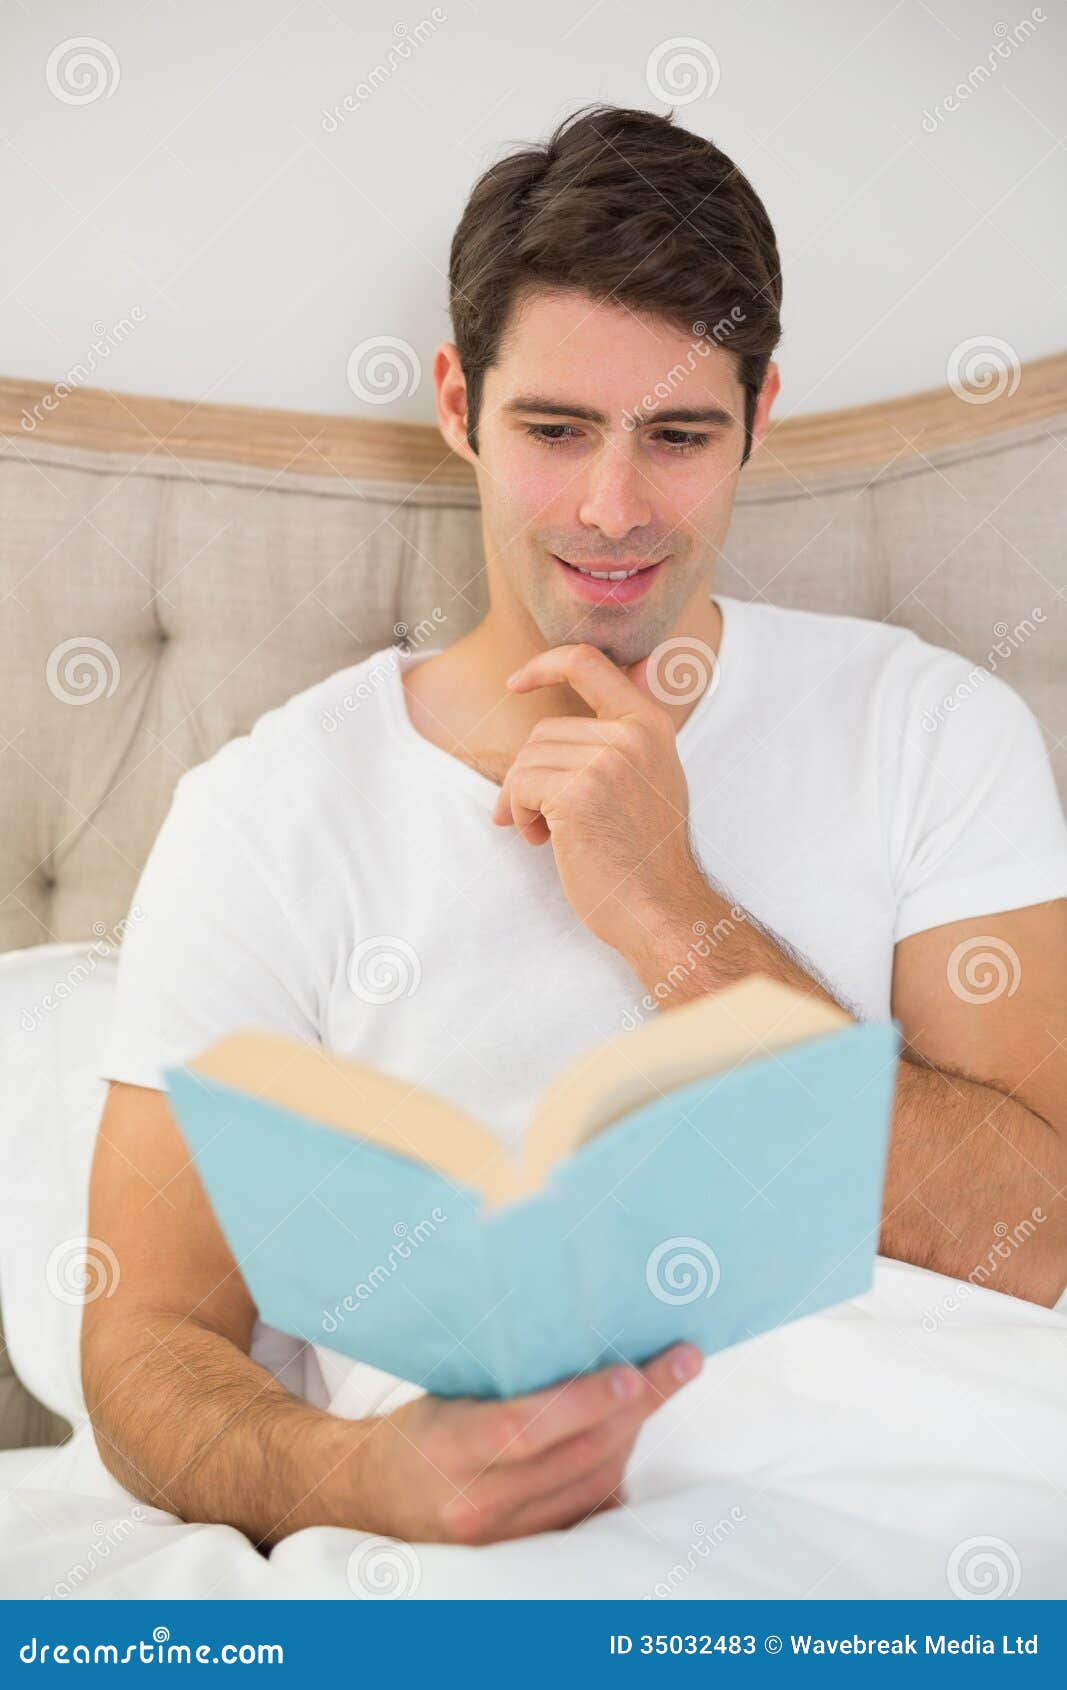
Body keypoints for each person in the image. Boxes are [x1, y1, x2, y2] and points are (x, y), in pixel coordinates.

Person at [83, 103, 1067, 1553]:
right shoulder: (265, 815)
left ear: (759, 419)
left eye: (678, 436)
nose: (613, 509)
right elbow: (143, 1342)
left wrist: (674, 913)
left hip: (939, 1507)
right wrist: (368, 1481)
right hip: (512, 1550)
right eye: (555, 431)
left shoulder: (931, 727)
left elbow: (1032, 1234)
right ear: (454, 404)